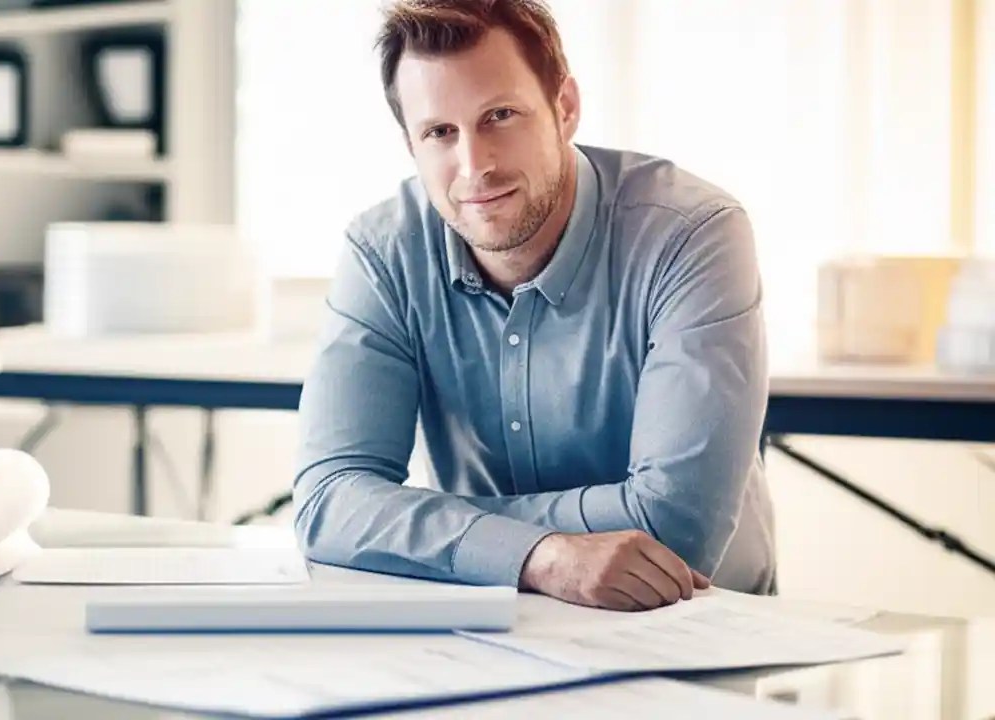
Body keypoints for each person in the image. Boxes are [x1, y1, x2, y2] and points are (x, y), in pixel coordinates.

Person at [293, 0, 775, 611]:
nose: (474, 167)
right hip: (499, 620)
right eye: (440, 132)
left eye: (500, 115)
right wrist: (538, 554)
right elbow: (329, 503)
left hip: (698, 623)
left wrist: (430, 525)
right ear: (410, 143)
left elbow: (675, 523)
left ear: (564, 108)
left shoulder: (692, 233)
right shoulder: (384, 249)